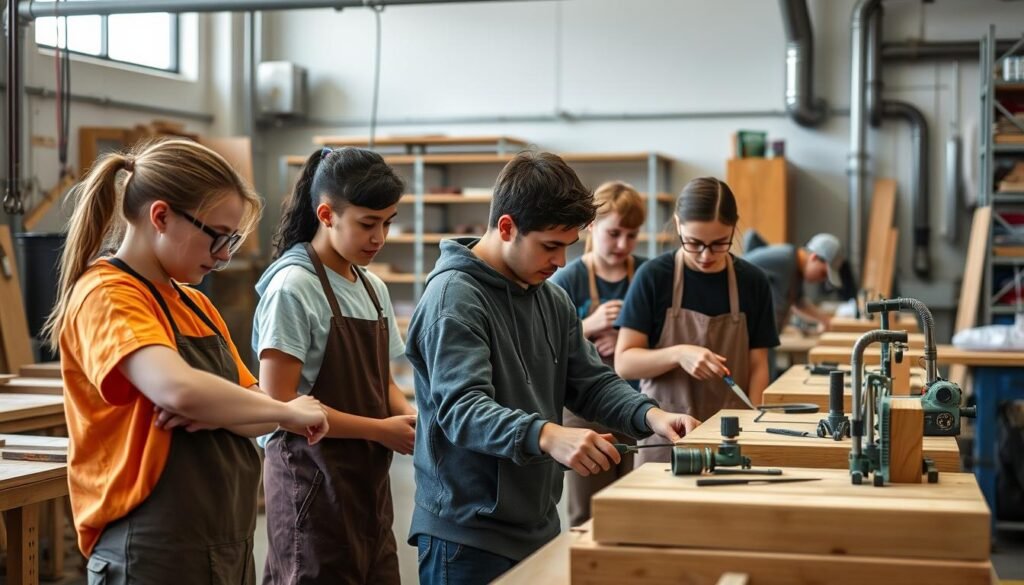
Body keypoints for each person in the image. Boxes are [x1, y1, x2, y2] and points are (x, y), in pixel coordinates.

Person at [405, 151, 700, 585]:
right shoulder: (453, 299)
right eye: (550, 246)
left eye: (567, 246)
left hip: (536, 526)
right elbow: (463, 410)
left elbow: (591, 383)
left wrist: (652, 416)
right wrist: (547, 435)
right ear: (507, 227)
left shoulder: (551, 298)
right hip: (467, 538)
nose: (562, 261)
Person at [43, 138, 329, 585]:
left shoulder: (195, 303)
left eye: (232, 240)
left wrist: (225, 408)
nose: (225, 255)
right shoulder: (108, 294)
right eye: (218, 236)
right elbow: (177, 389)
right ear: (161, 217)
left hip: (224, 542)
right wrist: (286, 411)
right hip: (153, 549)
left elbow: (251, 413)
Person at [254, 147, 416, 585]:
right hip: (309, 483)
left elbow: (382, 382)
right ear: (326, 215)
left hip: (366, 484)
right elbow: (278, 403)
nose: (379, 237)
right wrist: (380, 430)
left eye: (388, 222)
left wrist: (408, 420)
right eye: (367, 223)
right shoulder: (293, 288)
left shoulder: (372, 287)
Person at [615, 176, 779, 466]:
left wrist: (754, 424)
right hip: (667, 437)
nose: (705, 255)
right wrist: (679, 354)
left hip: (732, 436)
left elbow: (758, 365)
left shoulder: (753, 282)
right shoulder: (654, 277)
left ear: (733, 227)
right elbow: (625, 362)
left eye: (719, 243)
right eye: (694, 243)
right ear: (678, 225)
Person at [549, 180, 647, 526]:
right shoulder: (567, 278)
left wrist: (628, 338)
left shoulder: (646, 274)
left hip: (637, 403)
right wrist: (588, 326)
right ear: (591, 225)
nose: (623, 244)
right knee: (588, 512)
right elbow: (547, 344)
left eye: (632, 236)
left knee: (634, 508)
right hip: (583, 412)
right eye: (614, 233)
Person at [742, 230, 843, 332]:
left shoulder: (795, 269)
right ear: (814, 257)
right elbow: (775, 317)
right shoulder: (785, 261)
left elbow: (799, 303)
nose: (822, 280)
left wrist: (824, 320)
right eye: (823, 273)